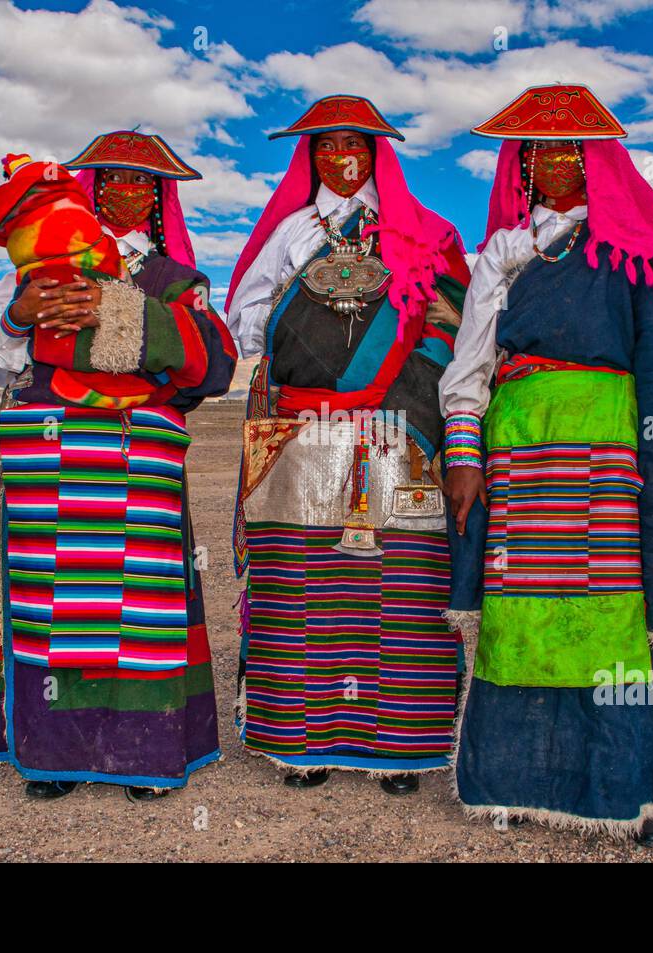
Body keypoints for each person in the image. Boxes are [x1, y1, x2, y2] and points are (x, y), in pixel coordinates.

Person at [440, 85, 653, 844]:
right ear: (522, 164)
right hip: (521, 462)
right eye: (539, 150)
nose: (555, 161)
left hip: (608, 464)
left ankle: (631, 791)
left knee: (613, 620)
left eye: (571, 148)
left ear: (595, 159)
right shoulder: (502, 256)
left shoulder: (633, 255)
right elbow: (469, 366)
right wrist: (464, 451)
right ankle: (511, 780)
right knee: (521, 619)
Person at [0, 130, 236, 802]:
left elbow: (214, 366)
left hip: (134, 455)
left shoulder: (177, 281)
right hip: (50, 457)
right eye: (112, 178)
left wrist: (133, 315)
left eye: (141, 182)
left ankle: (143, 752)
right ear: (92, 186)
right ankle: (53, 753)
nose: (125, 190)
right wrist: (18, 311)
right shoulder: (43, 259)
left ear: (158, 199)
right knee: (51, 603)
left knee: (138, 607)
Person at [225, 95, 477, 795]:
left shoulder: (424, 234)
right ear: (309, 155)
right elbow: (248, 331)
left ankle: (401, 747)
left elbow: (451, 330)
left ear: (377, 153)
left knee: (398, 593)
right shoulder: (287, 236)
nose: (343, 156)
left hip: (400, 435)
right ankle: (302, 741)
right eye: (328, 144)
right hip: (302, 436)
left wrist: (415, 415)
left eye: (356, 144)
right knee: (302, 591)